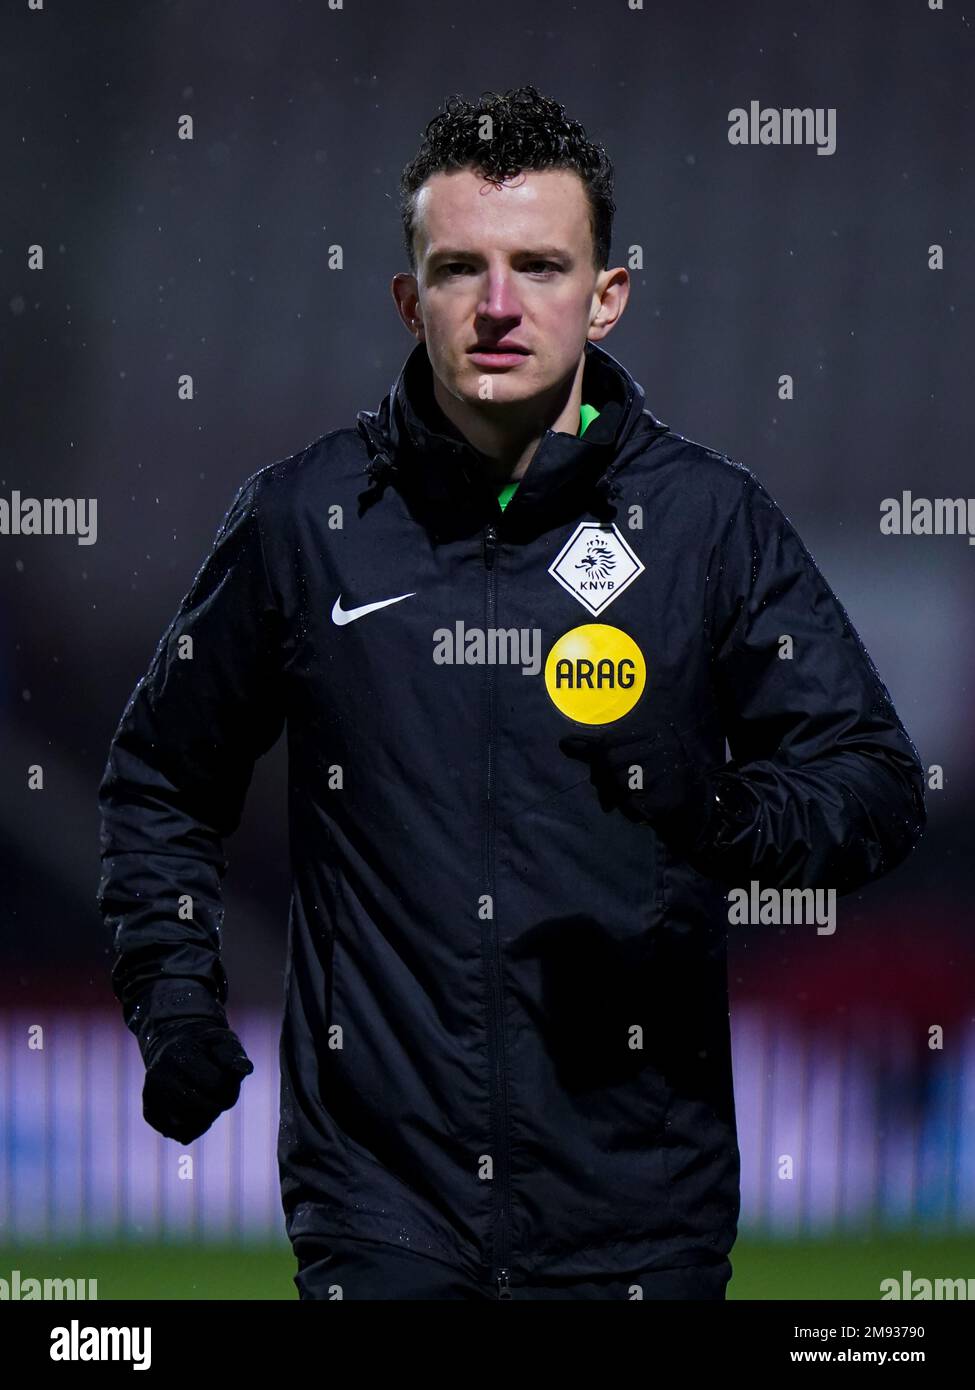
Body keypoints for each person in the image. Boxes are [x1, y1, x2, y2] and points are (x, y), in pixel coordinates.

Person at [96, 85, 926, 1301]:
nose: (496, 307)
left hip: (640, 1217)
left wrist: (725, 815)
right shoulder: (305, 524)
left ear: (607, 296)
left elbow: (876, 786)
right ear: (406, 296)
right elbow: (162, 773)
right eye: (458, 269)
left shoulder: (707, 527)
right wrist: (174, 999)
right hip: (379, 1212)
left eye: (539, 266)